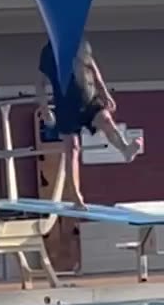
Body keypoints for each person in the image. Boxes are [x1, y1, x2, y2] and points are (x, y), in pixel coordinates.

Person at [38, 38, 142, 209]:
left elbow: (93, 68)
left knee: (106, 119)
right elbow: (40, 83)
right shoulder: (49, 51)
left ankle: (125, 150)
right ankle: (76, 197)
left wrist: (104, 93)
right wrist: (44, 108)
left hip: (88, 98)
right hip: (66, 105)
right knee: (72, 149)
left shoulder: (80, 43)